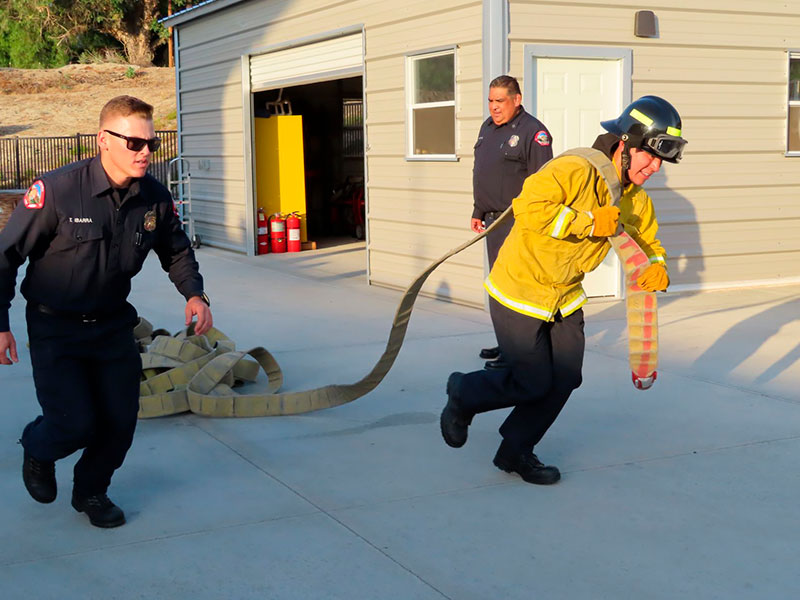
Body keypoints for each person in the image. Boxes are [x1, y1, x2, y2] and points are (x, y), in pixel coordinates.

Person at [441, 96, 687, 484]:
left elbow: (649, 244)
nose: (654, 167)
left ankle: (515, 451)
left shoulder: (635, 198)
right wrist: (589, 221)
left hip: (564, 293)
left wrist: (657, 268)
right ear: (626, 142)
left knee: (566, 377)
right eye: (650, 156)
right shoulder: (575, 169)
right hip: (520, 288)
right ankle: (463, 393)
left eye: (662, 161)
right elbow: (529, 208)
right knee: (532, 380)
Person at [0, 95, 213, 527]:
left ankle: (91, 491)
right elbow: (6, 255)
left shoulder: (153, 197)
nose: (146, 153)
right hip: (55, 328)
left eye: (151, 143)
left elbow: (175, 249)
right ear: (104, 140)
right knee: (74, 423)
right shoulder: (58, 191)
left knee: (120, 422)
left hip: (113, 325)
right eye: (135, 143)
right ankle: (38, 447)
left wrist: (194, 294)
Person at [471, 75, 553, 369]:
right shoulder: (488, 128)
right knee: (498, 288)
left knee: (516, 291)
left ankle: (518, 352)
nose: (494, 107)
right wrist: (478, 210)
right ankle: (506, 344)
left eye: (500, 101)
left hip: (517, 224)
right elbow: (481, 171)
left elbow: (544, 186)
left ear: (517, 100)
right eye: (490, 101)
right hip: (493, 223)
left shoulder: (534, 133)